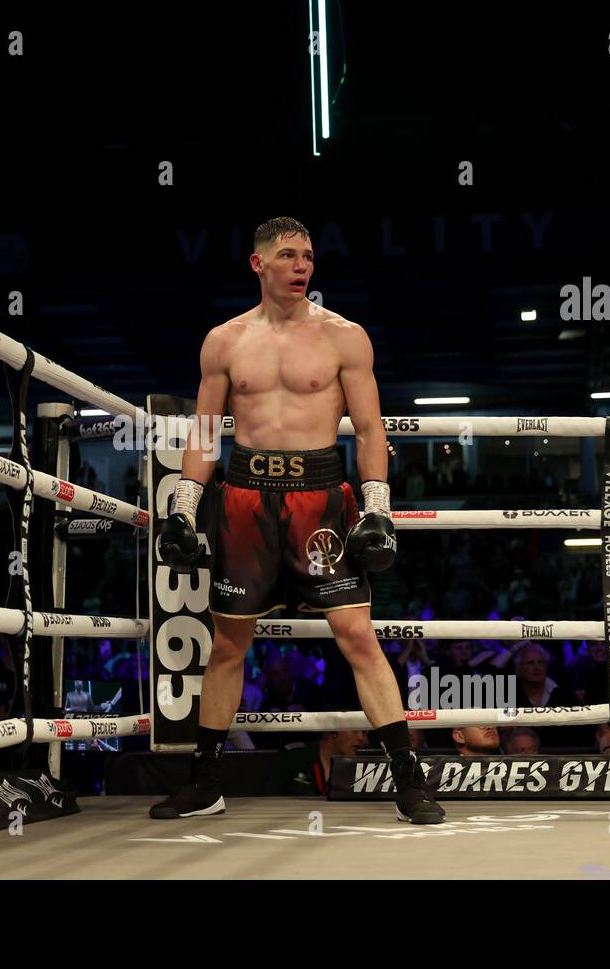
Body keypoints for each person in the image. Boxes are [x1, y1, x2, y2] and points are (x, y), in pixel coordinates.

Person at [152, 217, 443, 823]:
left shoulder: (344, 337)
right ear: (258, 264)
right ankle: (204, 783)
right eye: (287, 255)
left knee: (358, 636)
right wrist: (183, 509)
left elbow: (369, 429)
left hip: (319, 497)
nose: (301, 265)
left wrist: (378, 509)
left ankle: (408, 780)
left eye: (308, 255)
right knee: (228, 643)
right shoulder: (224, 341)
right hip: (244, 497)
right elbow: (206, 432)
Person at [282, 727, 367, 796]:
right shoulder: (293, 756)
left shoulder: (363, 766)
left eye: (363, 732)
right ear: (333, 730)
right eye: (354, 730)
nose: (361, 738)